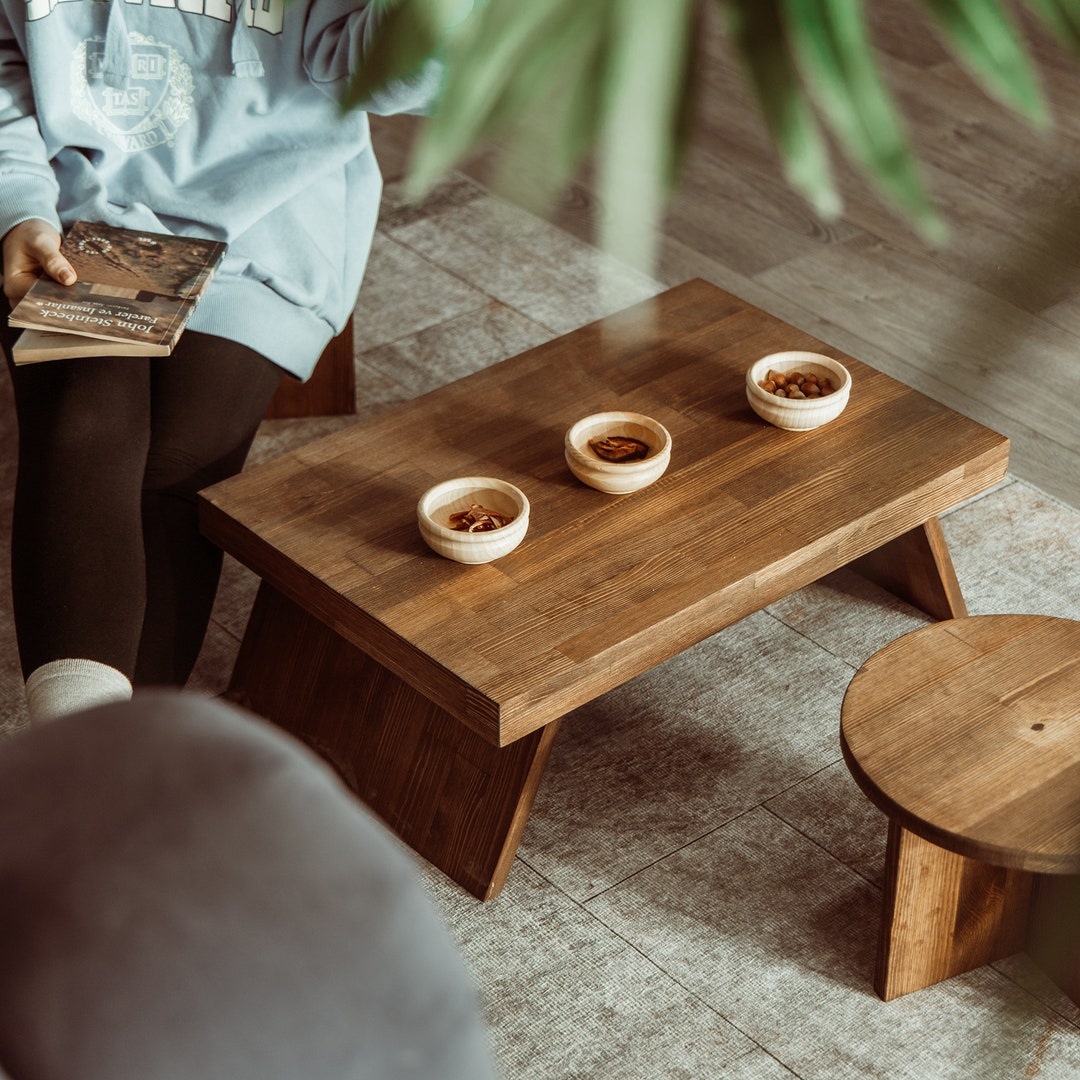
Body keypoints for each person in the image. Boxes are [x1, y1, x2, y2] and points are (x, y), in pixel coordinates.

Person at [0, 0, 453, 720]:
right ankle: (90, 774)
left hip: (266, 219)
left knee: (178, 473)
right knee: (87, 416)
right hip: (80, 204)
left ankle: (90, 776)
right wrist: (19, 203)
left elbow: (400, 75)